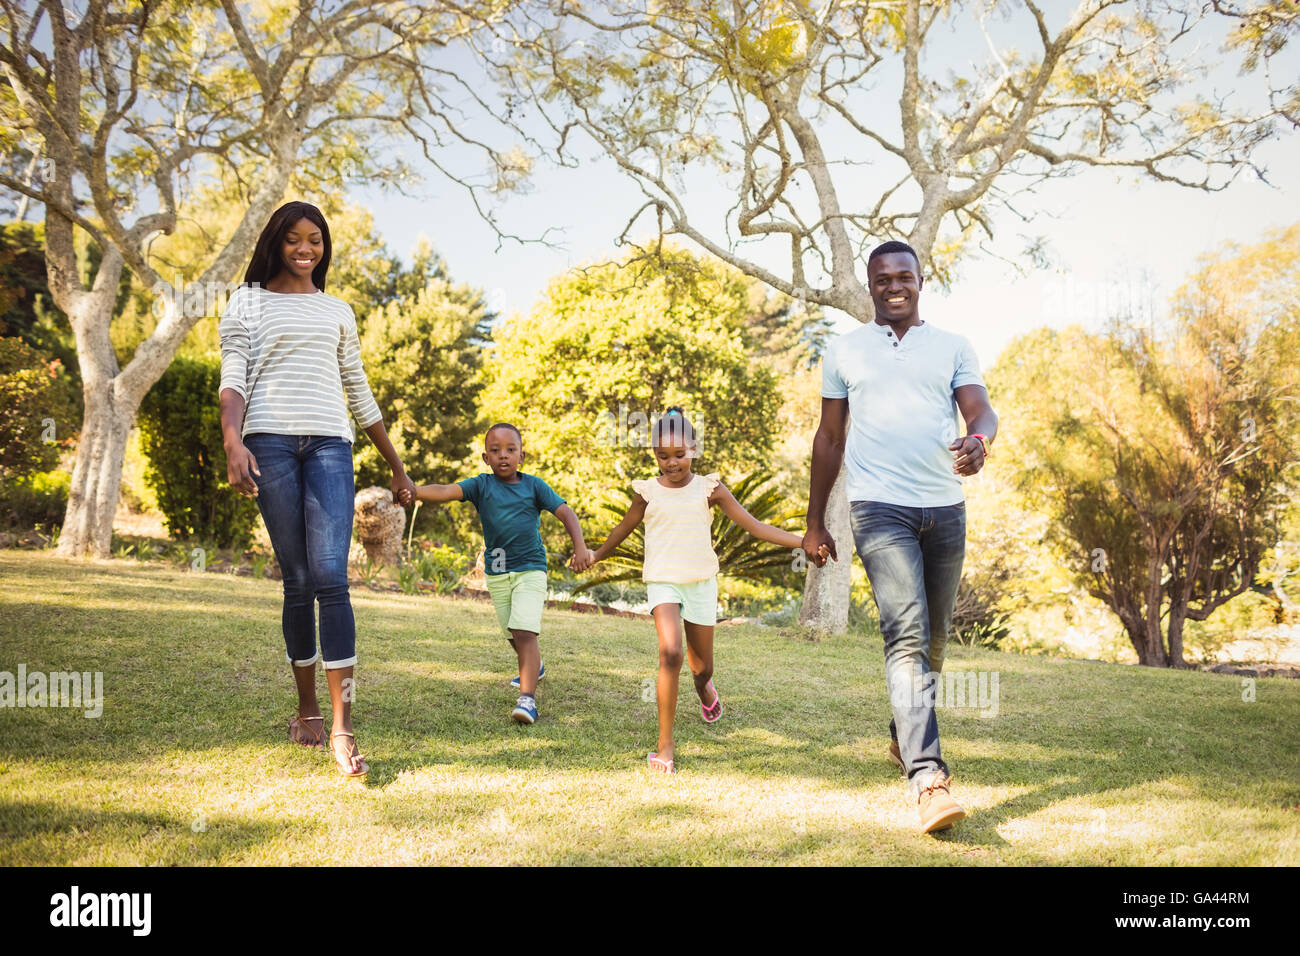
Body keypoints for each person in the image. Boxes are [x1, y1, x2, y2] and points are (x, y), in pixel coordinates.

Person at [802, 240, 999, 833]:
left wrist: (980, 441)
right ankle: (928, 780)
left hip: (945, 508)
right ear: (870, 286)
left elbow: (980, 410)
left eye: (903, 276)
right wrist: (815, 521)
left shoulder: (953, 346)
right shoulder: (844, 351)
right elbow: (829, 438)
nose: (894, 286)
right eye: (883, 278)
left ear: (920, 280)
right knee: (906, 632)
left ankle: (902, 732)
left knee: (933, 641)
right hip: (878, 508)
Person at [219, 200, 415, 779]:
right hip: (269, 444)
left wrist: (397, 467)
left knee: (332, 577)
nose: (305, 249)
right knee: (298, 580)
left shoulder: (337, 310)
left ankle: (342, 728)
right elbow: (233, 378)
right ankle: (307, 710)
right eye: (293, 239)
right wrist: (233, 442)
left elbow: (358, 388)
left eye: (316, 240)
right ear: (275, 242)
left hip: (331, 444)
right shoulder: (246, 301)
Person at [589, 408, 808, 773]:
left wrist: (803, 541)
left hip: (701, 584)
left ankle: (704, 687)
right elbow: (621, 530)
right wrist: (596, 554)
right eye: (663, 456)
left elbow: (755, 526)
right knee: (671, 653)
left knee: (702, 667)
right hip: (663, 582)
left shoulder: (710, 489)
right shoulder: (647, 493)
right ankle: (665, 747)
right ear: (654, 454)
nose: (671, 463)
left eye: (679, 454)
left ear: (694, 448)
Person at [414, 423, 593, 724]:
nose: (503, 456)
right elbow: (446, 490)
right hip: (497, 570)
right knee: (512, 632)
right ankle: (535, 666)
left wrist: (580, 547)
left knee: (524, 632)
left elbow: (565, 512)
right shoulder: (480, 486)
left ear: (522, 456)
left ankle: (527, 701)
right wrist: (414, 491)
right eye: (495, 451)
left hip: (530, 568)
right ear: (486, 458)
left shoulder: (534, 486)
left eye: (511, 450)